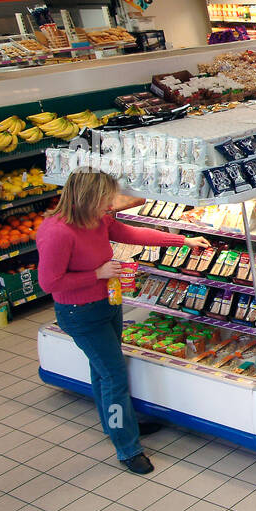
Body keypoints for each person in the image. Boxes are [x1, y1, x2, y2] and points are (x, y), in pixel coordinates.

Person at [36, 169, 209, 474]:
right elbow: (50, 283)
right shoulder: (57, 231)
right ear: (87, 198)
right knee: (114, 376)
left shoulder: (97, 218)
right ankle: (127, 447)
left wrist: (182, 240)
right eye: (106, 198)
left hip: (108, 303)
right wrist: (97, 275)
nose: (113, 203)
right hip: (80, 312)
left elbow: (131, 234)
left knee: (102, 371)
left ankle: (115, 425)